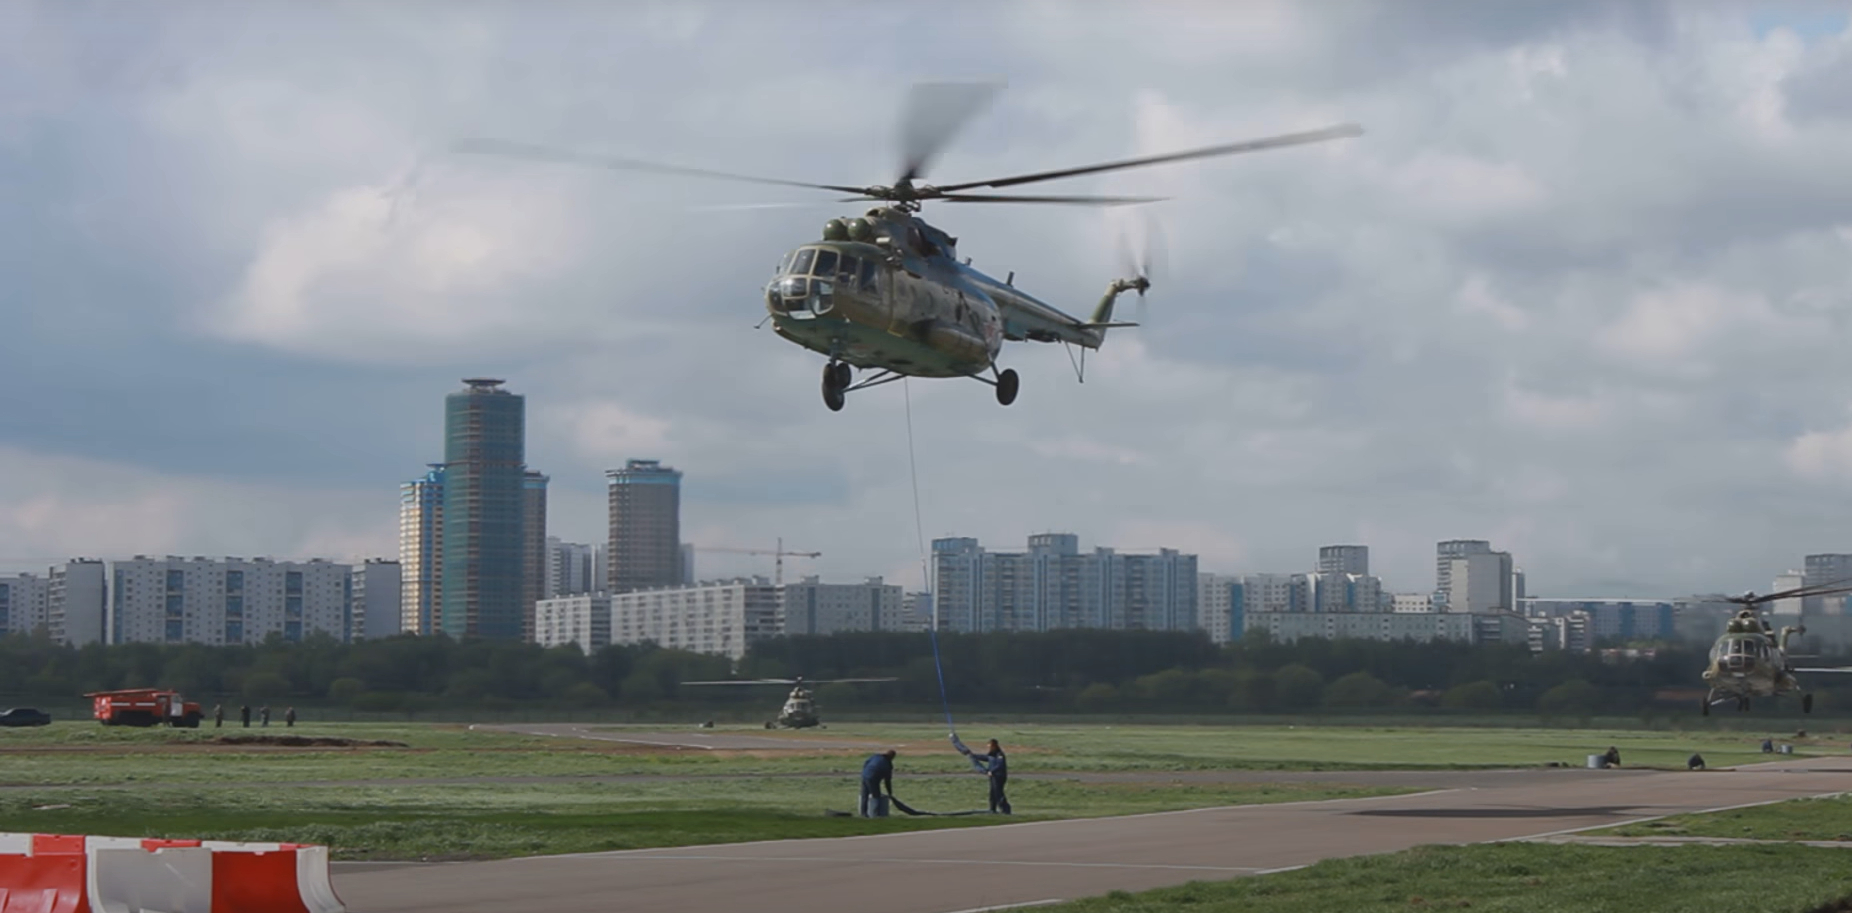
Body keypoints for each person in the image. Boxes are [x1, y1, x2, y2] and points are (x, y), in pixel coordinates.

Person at [958, 738, 1011, 814]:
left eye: (989, 744)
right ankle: (992, 809)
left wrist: (992, 771)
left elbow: (1000, 765)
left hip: (999, 776)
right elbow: (985, 758)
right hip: (993, 776)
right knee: (992, 793)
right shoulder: (992, 754)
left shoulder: (999, 754)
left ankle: (1006, 809)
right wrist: (974, 756)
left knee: (998, 793)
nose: (988, 746)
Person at [860, 749, 896, 818]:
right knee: (876, 796)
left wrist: (864, 772)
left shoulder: (876, 756)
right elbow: (887, 781)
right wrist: (890, 793)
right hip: (873, 778)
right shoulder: (888, 765)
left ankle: (863, 813)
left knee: (864, 795)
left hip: (865, 775)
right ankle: (875, 814)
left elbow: (866, 763)